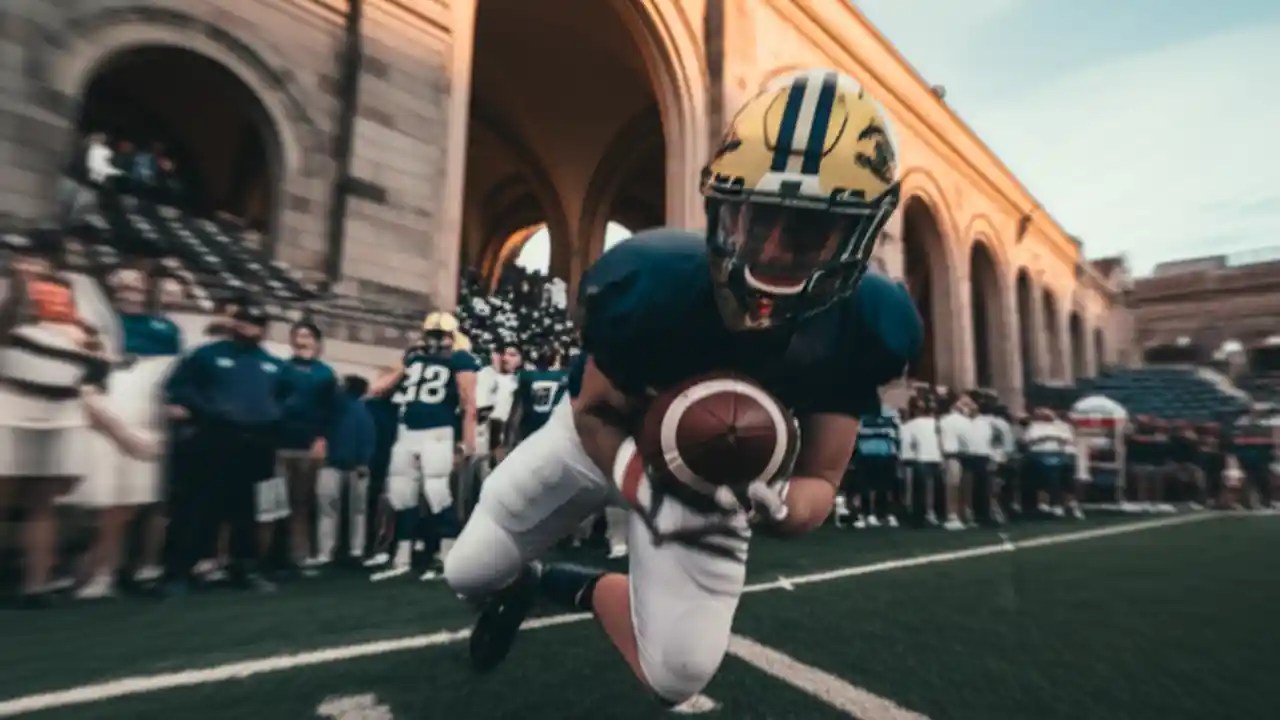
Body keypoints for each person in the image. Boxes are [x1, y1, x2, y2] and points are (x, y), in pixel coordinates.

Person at [443, 69, 920, 707]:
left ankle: (563, 584)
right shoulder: (655, 281)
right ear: (727, 206)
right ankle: (511, 578)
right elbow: (592, 413)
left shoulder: (867, 320)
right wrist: (640, 485)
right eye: (759, 217)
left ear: (856, 235)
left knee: (676, 674)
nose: (774, 249)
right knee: (467, 572)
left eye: (806, 228)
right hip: (602, 442)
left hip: (706, 481)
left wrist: (777, 508)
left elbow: (822, 481)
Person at [161, 304, 295, 594]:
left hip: (257, 442)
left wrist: (273, 417)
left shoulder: (273, 364)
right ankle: (178, 572)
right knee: (195, 505)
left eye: (256, 322)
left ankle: (244, 568)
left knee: (247, 511)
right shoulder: (206, 355)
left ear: (264, 328)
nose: (249, 327)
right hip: (212, 437)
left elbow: (286, 398)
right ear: (234, 323)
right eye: (244, 321)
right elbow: (179, 387)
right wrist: (208, 410)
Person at [367, 311, 478, 581]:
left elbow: (468, 402)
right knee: (401, 493)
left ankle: (446, 556)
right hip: (407, 431)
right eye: (433, 334)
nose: (437, 341)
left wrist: (468, 441)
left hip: (437, 432)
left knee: (437, 492)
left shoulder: (460, 358)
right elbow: (377, 390)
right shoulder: (413, 357)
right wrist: (405, 364)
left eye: (442, 336)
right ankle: (402, 557)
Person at [275, 320, 339, 573]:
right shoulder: (281, 369)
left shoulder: (325, 374)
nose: (303, 341)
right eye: (298, 336)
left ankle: (299, 556)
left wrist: (322, 439)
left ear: (317, 342)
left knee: (301, 504)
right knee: (274, 504)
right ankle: (270, 557)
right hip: (279, 445)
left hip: (308, 447)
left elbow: (331, 412)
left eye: (308, 336)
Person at [314, 375, 377, 567]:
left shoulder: (335, 408)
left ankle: (326, 552)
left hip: (332, 463)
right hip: (355, 466)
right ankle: (355, 550)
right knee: (357, 512)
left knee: (328, 510)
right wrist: (364, 461)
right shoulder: (364, 411)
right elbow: (368, 438)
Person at [505, 345, 569, 448]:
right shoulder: (564, 376)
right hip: (554, 432)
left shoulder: (526, 376)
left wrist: (508, 442)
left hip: (529, 432)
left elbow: (516, 413)